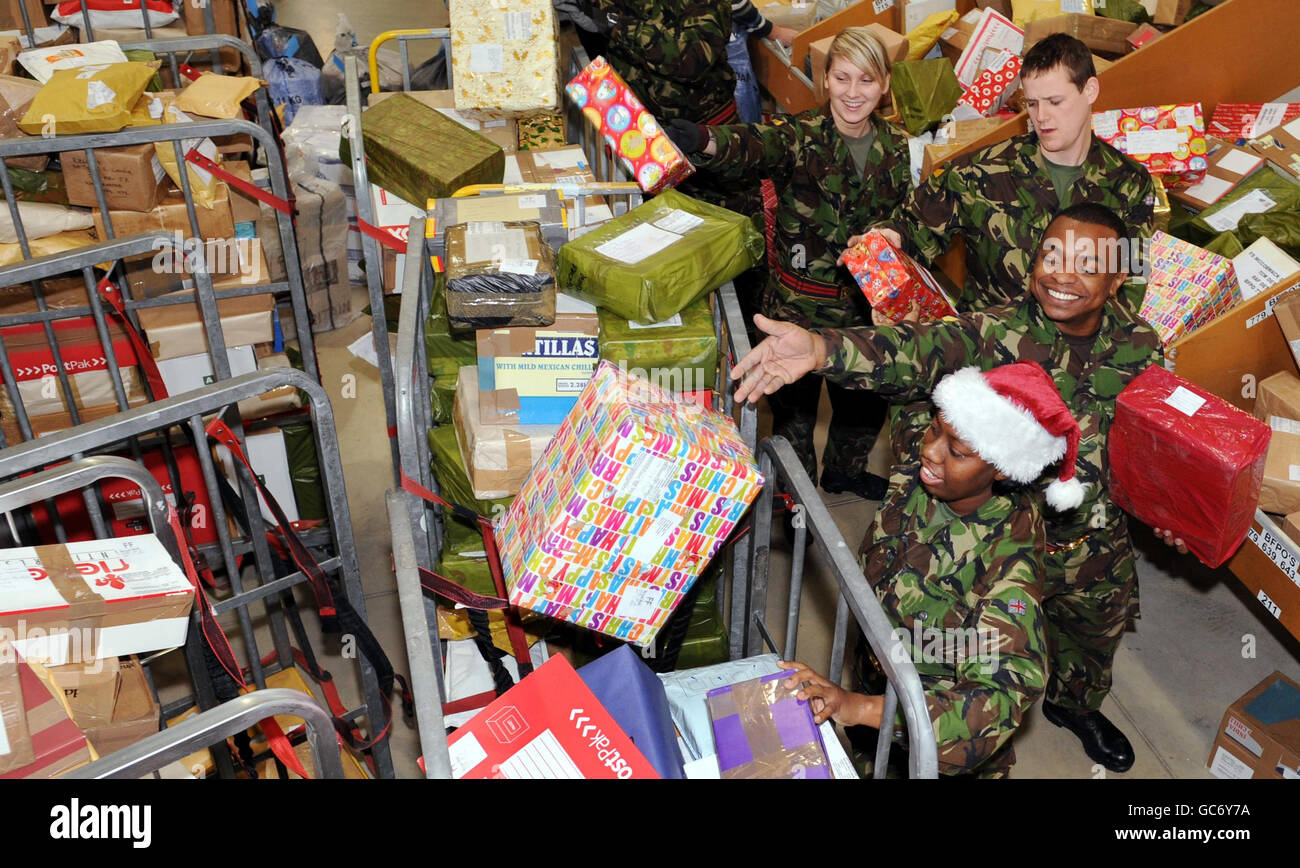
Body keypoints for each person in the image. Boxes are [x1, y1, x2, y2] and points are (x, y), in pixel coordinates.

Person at [735, 204, 1163, 773]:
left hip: (1090, 549)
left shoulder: (1141, 348)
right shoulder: (991, 333)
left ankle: (1076, 707)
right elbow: (907, 351)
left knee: (1088, 644)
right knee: (931, 656)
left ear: (1117, 281)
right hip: (985, 550)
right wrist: (819, 350)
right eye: (1051, 255)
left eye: (1086, 264)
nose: (1061, 274)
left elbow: (1155, 443)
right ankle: (883, 728)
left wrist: (1170, 514)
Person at [779, 360, 1084, 778]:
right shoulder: (929, 470)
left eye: (957, 450)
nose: (930, 449)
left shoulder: (1009, 564)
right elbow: (900, 370)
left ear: (1001, 467)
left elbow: (1001, 695)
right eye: (935, 428)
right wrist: (817, 351)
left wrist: (860, 708)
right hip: (879, 680)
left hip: (935, 734)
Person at [665, 27, 911, 501]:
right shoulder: (801, 136)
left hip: (865, 310)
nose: (853, 93)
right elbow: (752, 144)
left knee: (862, 406)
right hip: (797, 307)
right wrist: (704, 139)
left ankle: (845, 472)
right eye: (842, 78)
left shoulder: (898, 148)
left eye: (866, 80)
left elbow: (904, 216)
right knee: (794, 414)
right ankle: (798, 498)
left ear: (884, 85)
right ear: (825, 81)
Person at [853, 33, 1155, 312]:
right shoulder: (981, 171)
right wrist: (887, 236)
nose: (1041, 117)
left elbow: (1130, 281)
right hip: (992, 349)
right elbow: (911, 227)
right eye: (1033, 104)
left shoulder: (1129, 183)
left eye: (1054, 101)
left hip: (1076, 357)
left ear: (1089, 90)